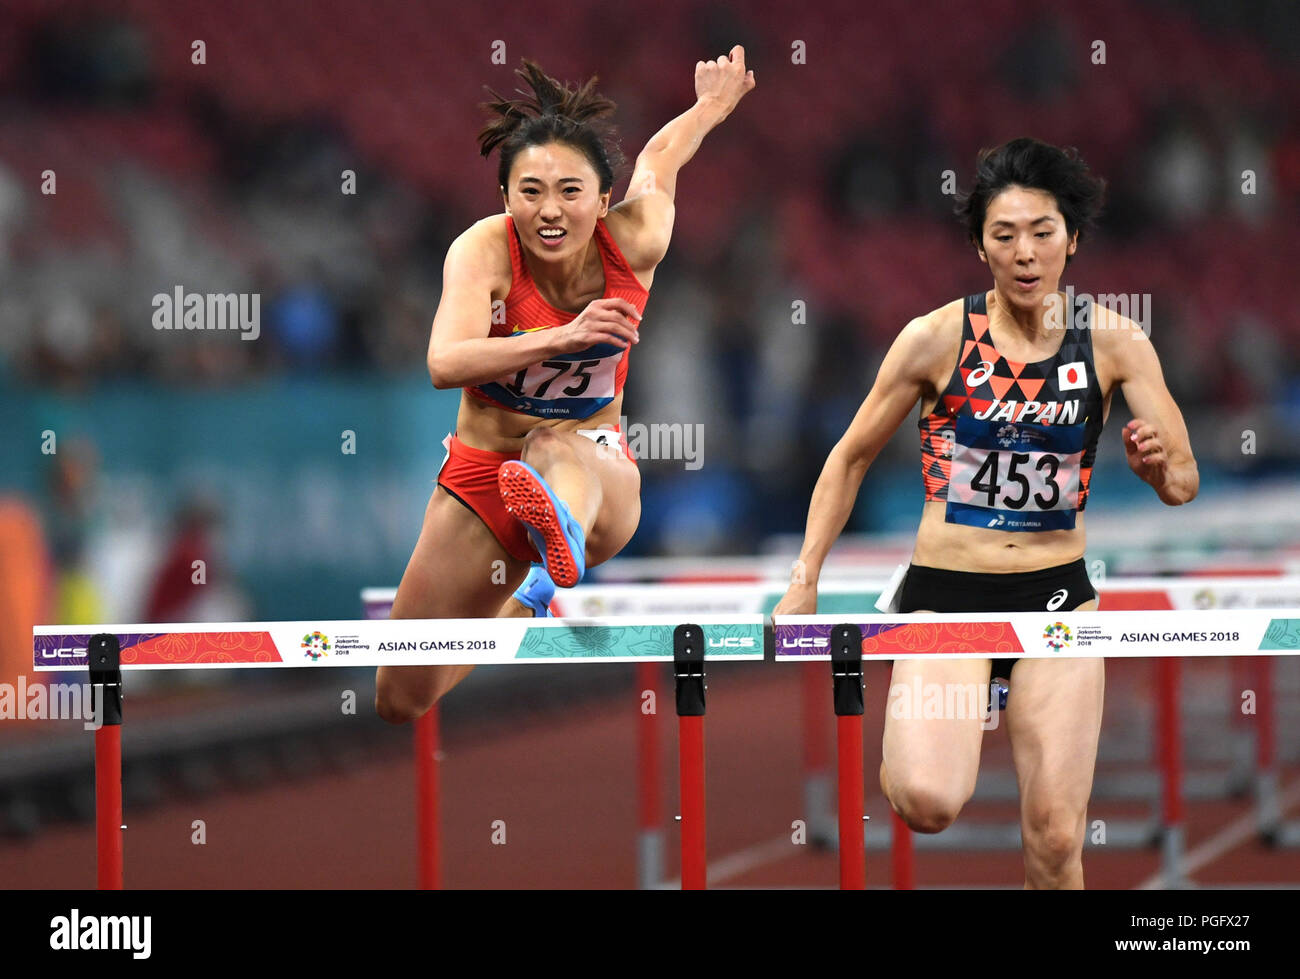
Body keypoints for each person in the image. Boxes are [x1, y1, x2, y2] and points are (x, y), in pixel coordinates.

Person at [774, 137, 1198, 888]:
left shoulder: (1115, 341)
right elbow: (849, 458)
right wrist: (804, 578)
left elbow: (1184, 481)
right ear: (980, 247)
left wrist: (1157, 468)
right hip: (948, 600)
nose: (1025, 253)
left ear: (1072, 238)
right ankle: (916, 738)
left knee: (1057, 840)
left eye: (1042, 233)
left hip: (1058, 600)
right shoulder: (935, 339)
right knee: (927, 801)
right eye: (1004, 236)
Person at [376, 50, 755, 723]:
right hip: (481, 476)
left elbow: (662, 156)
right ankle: (529, 592)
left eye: (570, 192)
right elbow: (443, 362)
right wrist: (560, 337)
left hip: (597, 472)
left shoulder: (637, 238)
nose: (549, 211)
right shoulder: (482, 251)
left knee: (548, 444)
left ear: (604, 200)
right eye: (530, 192)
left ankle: (562, 540)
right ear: (505, 199)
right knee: (399, 697)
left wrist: (709, 108)